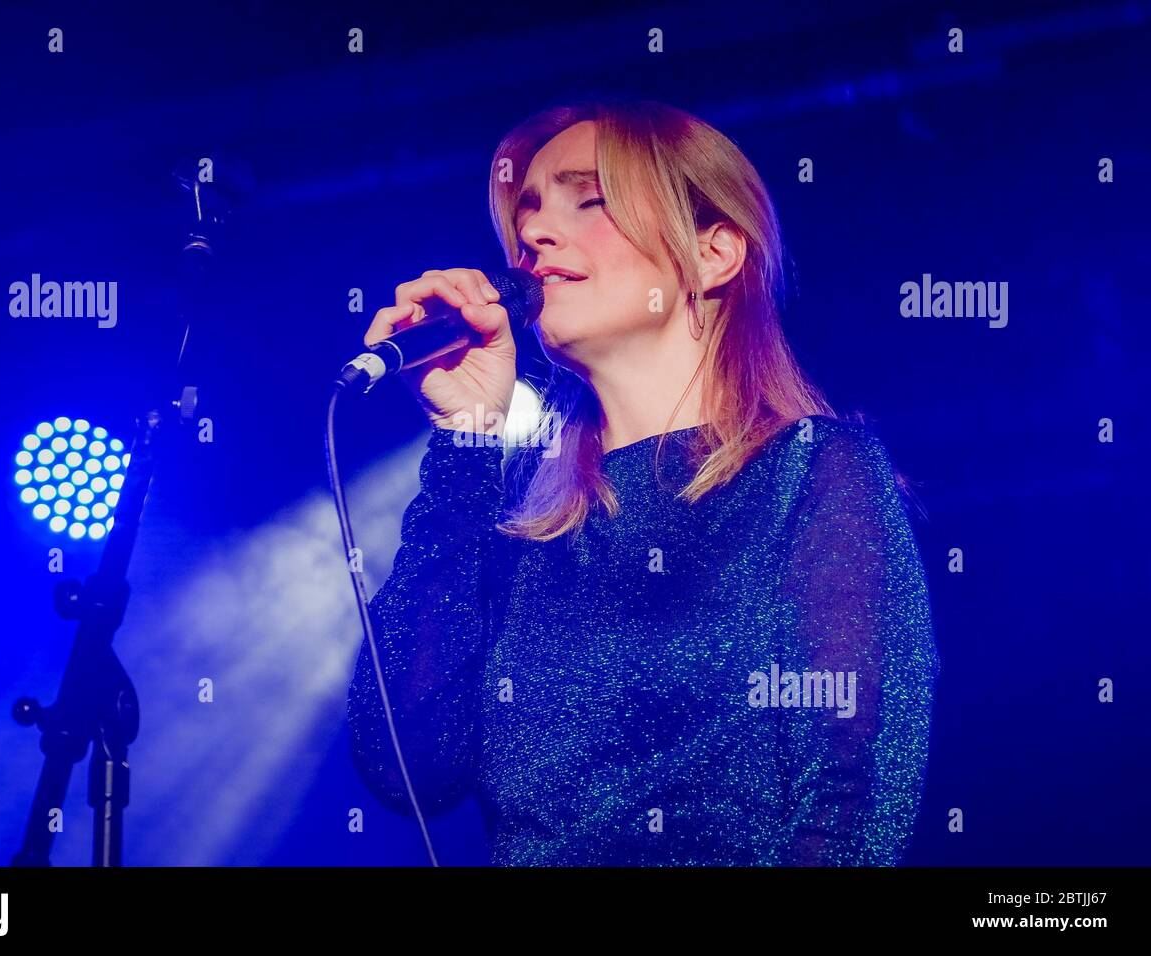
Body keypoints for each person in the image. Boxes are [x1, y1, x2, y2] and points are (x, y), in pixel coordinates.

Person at [346, 98, 939, 866]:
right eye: (526, 211)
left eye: (588, 199)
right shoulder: (521, 535)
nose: (531, 234)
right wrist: (463, 440)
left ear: (715, 253)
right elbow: (407, 767)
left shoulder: (813, 473)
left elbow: (853, 804)